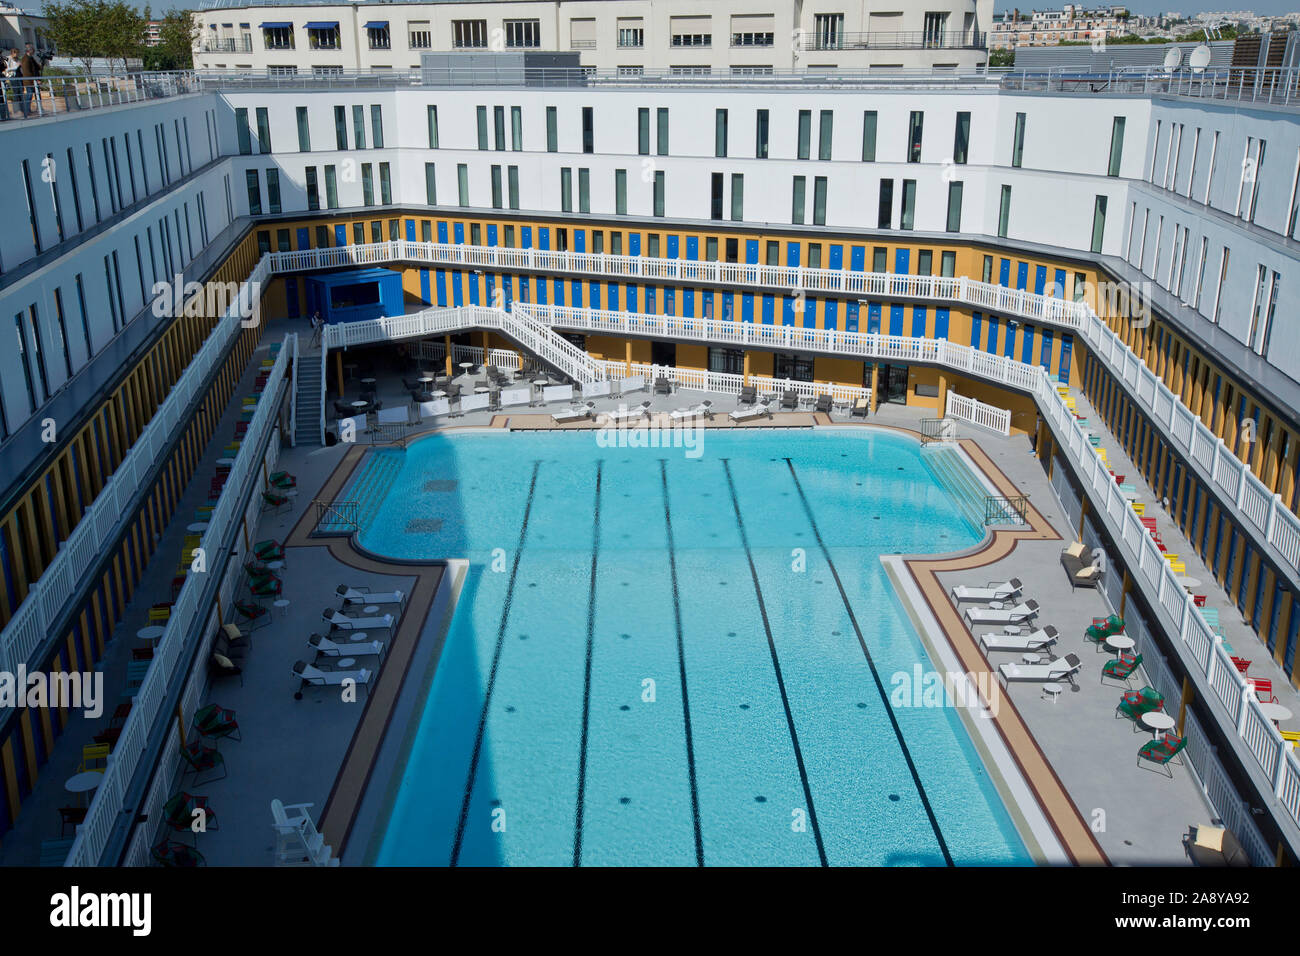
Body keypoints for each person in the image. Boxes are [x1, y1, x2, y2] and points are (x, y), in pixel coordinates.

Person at [17, 42, 40, 118]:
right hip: (29, 81)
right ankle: (27, 111)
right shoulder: (26, 59)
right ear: (29, 51)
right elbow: (27, 72)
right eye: (32, 50)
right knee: (29, 95)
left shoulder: (30, 58)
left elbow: (37, 67)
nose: (33, 51)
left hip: (31, 80)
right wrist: (34, 80)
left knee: (32, 95)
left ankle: (30, 110)